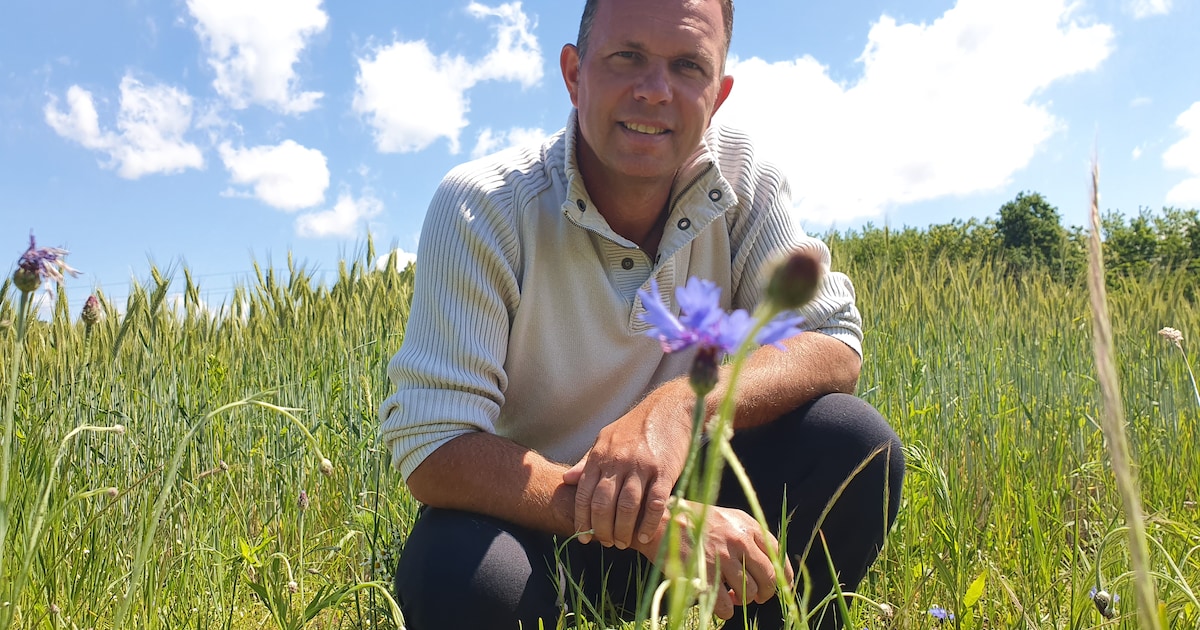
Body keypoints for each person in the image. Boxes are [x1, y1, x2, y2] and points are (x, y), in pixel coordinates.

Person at [378, 0, 904, 628]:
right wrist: (648, 521)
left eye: (688, 66)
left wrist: (681, 408)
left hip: (703, 506)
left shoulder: (745, 180)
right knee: (457, 572)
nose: (655, 91)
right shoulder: (484, 205)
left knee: (854, 444)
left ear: (718, 94)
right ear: (574, 75)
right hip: (542, 523)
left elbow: (832, 341)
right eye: (627, 57)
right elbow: (436, 445)